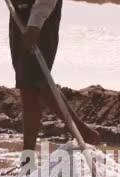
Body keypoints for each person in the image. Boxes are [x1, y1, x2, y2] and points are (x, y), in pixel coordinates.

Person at [9, 0, 100, 161]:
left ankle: (83, 132)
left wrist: (35, 24)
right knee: (28, 87)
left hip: (40, 17)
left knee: (37, 84)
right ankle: (28, 160)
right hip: (19, 15)